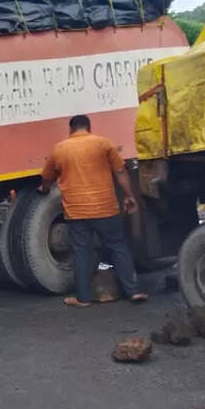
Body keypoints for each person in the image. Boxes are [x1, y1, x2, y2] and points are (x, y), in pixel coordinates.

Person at [38, 114, 149, 308]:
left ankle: (84, 298)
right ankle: (134, 292)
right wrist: (129, 195)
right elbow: (120, 172)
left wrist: (44, 189)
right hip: (106, 208)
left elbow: (47, 177)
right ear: (89, 127)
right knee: (118, 247)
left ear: (70, 130)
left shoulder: (60, 149)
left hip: (77, 212)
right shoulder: (103, 144)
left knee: (82, 253)